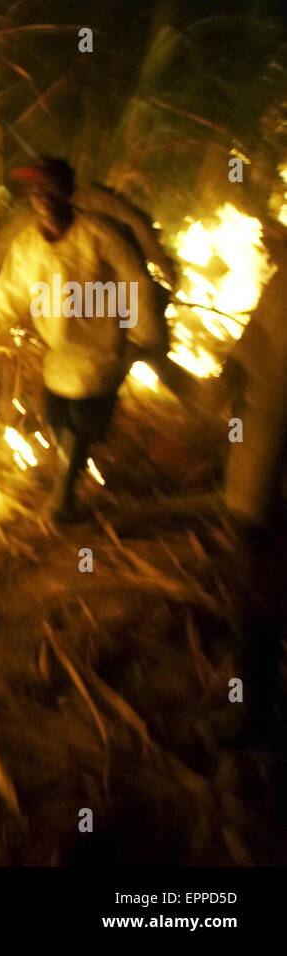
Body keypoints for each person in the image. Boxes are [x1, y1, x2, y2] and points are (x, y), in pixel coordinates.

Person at [0, 157, 169, 523]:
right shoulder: (27, 246)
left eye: (50, 187)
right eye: (35, 190)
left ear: (68, 193)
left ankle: (62, 499)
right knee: (58, 418)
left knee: (81, 423)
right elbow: (4, 300)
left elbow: (137, 284)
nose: (41, 196)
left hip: (103, 348)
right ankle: (70, 474)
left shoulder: (100, 236)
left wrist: (142, 338)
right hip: (61, 353)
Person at [207, 216, 287, 744]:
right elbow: (256, 340)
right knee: (253, 599)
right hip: (260, 475)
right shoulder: (283, 286)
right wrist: (230, 375)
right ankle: (254, 711)